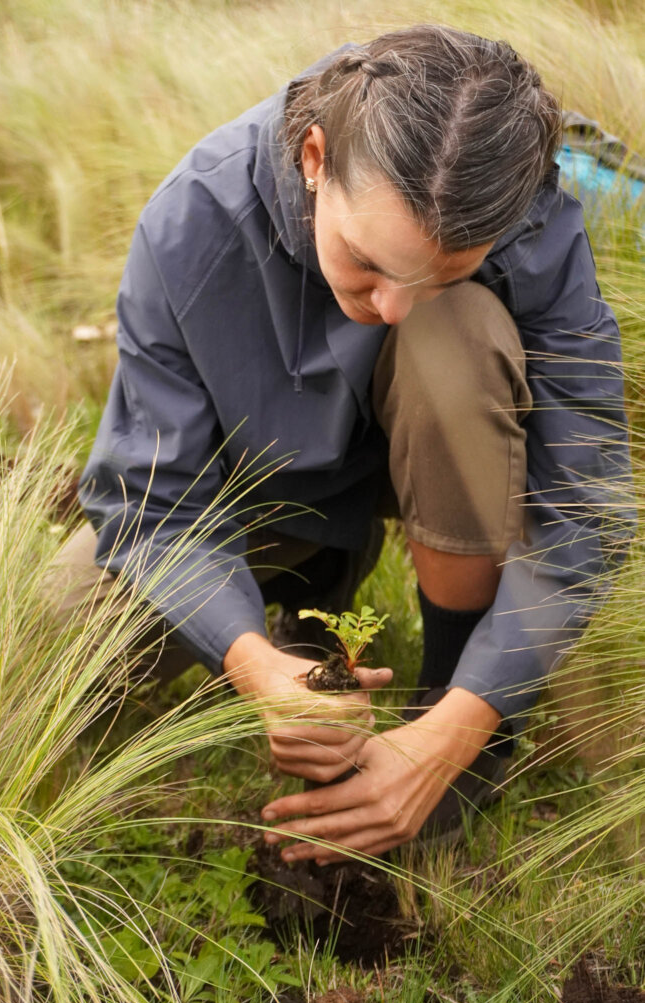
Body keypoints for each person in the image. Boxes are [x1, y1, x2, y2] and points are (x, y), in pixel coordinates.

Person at [66, 25, 632, 864]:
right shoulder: (191, 221)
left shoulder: (523, 212)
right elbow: (152, 504)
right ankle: (296, 640)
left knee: (453, 334)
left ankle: (451, 719)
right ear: (313, 157)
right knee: (53, 637)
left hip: (460, 461)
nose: (389, 308)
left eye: (439, 271)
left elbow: (585, 502)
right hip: (258, 499)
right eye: (365, 263)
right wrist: (249, 661)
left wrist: (461, 721)